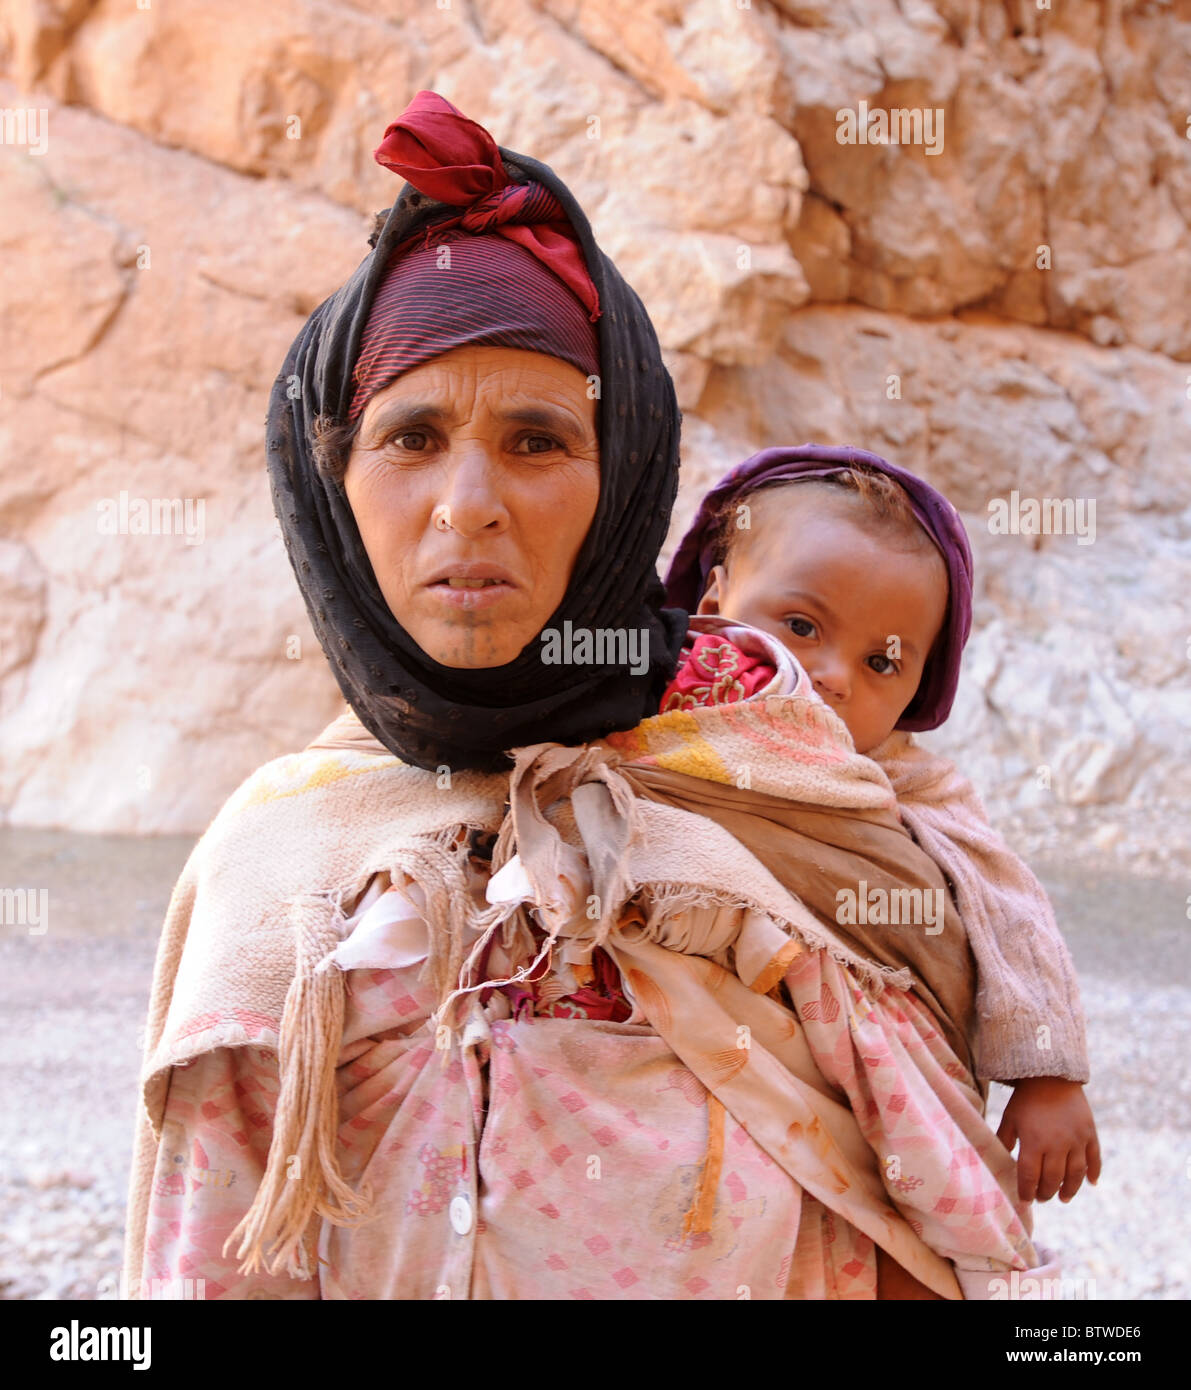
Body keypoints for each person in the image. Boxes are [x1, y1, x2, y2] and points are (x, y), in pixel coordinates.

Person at [123, 95, 1056, 1301]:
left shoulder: (794, 785)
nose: (469, 504)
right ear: (330, 481)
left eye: (537, 440)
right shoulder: (275, 858)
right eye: (410, 439)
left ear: (625, 480)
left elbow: (908, 1216)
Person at [662, 446, 1101, 1213]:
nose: (833, 675)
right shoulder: (649, 704)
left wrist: (1046, 1071)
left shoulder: (907, 783)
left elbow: (1008, 905)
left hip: (822, 1083)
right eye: (799, 625)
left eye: (882, 663)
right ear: (716, 596)